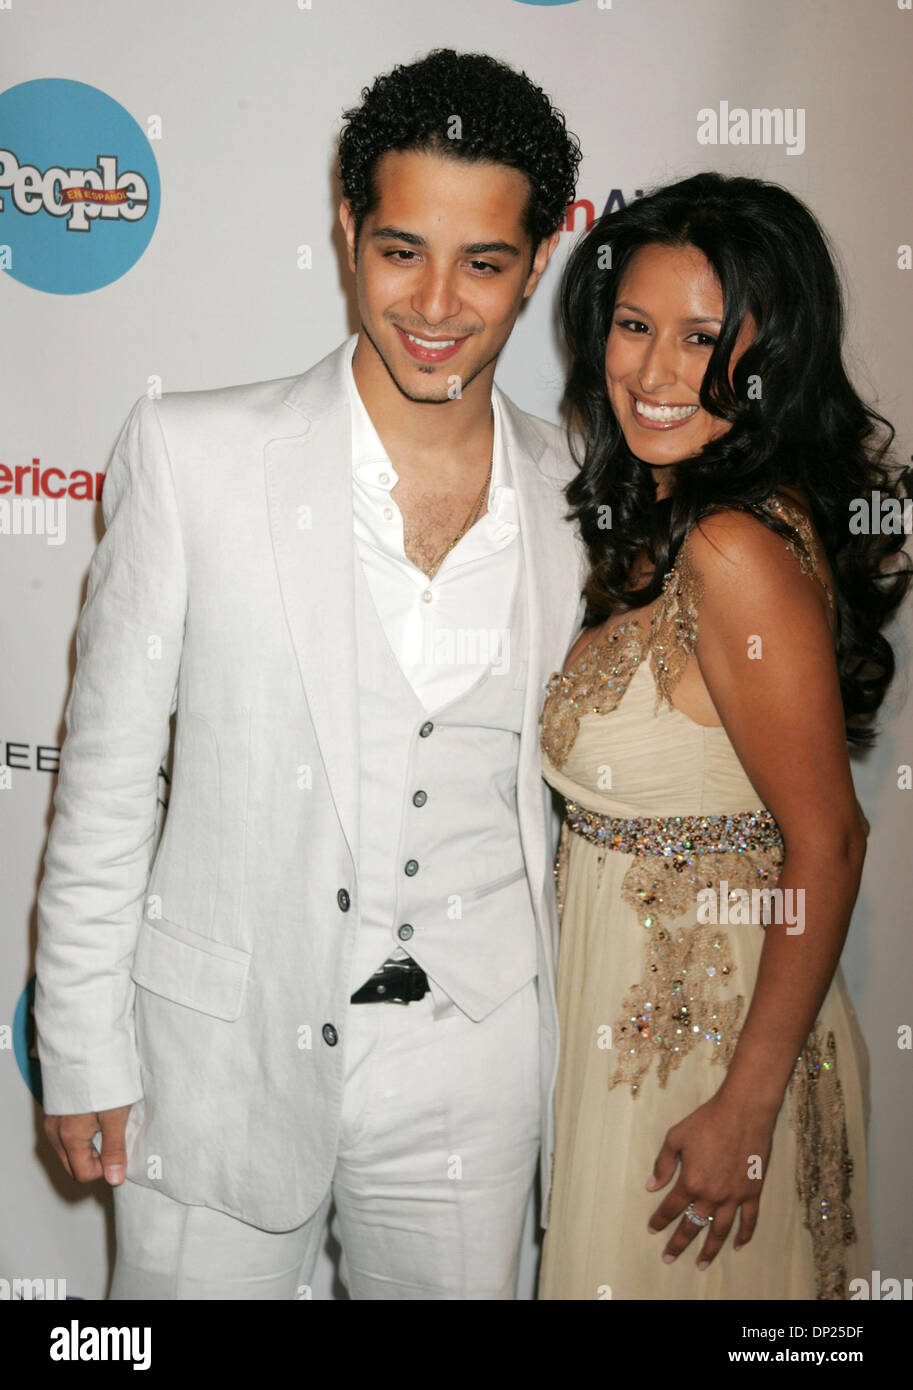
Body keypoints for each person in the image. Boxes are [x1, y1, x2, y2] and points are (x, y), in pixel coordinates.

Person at [34, 48, 587, 1300]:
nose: (436, 302)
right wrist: (78, 1046)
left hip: (474, 1069)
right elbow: (108, 789)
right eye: (400, 249)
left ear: (540, 259)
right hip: (221, 1050)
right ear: (345, 228)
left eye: (484, 262)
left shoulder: (585, 498)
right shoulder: (194, 457)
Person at [536, 172, 912, 1300]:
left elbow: (828, 843)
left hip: (704, 1066)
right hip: (637, 1035)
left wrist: (745, 1109)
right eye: (635, 326)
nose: (653, 373)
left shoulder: (732, 551)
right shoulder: (670, 509)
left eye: (703, 339)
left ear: (771, 356)